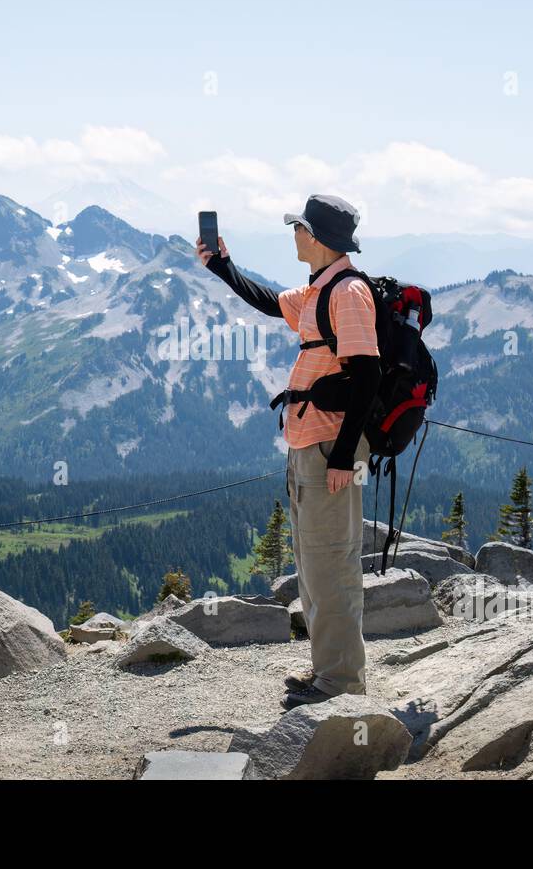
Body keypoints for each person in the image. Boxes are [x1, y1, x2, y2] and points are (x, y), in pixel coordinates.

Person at [195, 194, 381, 709]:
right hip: (310, 444)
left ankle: (341, 684)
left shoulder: (347, 294)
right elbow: (267, 299)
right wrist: (222, 266)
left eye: (298, 226)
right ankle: (329, 670)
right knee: (313, 562)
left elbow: (368, 376)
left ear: (316, 236)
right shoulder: (320, 290)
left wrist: (344, 456)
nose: (293, 234)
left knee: (332, 563)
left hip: (330, 450)